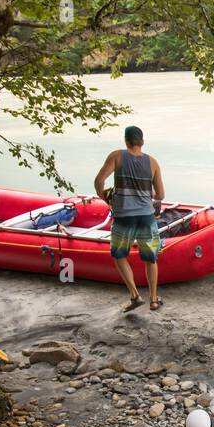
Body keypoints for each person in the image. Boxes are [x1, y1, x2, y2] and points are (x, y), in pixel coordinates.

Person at [94, 125, 165, 311]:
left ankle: (135, 296)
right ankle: (154, 300)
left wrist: (106, 198)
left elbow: (99, 181)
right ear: (142, 141)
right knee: (150, 259)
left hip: (124, 217)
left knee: (119, 255)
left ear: (126, 141)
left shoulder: (116, 156)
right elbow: (161, 195)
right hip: (146, 217)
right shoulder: (153, 162)